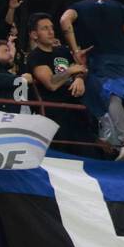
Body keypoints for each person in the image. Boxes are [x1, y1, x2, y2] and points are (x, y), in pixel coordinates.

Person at [60, 0, 124, 161]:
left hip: (100, 61)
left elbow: (64, 21)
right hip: (123, 62)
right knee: (117, 94)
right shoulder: (119, 6)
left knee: (106, 95)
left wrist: (75, 49)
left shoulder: (79, 7)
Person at [26, 14, 95, 152]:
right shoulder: (35, 56)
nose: (51, 31)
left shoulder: (63, 51)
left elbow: (81, 69)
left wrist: (80, 78)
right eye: (45, 28)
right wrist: (70, 71)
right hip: (55, 115)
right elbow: (51, 83)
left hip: (77, 111)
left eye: (51, 28)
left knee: (88, 151)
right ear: (34, 35)